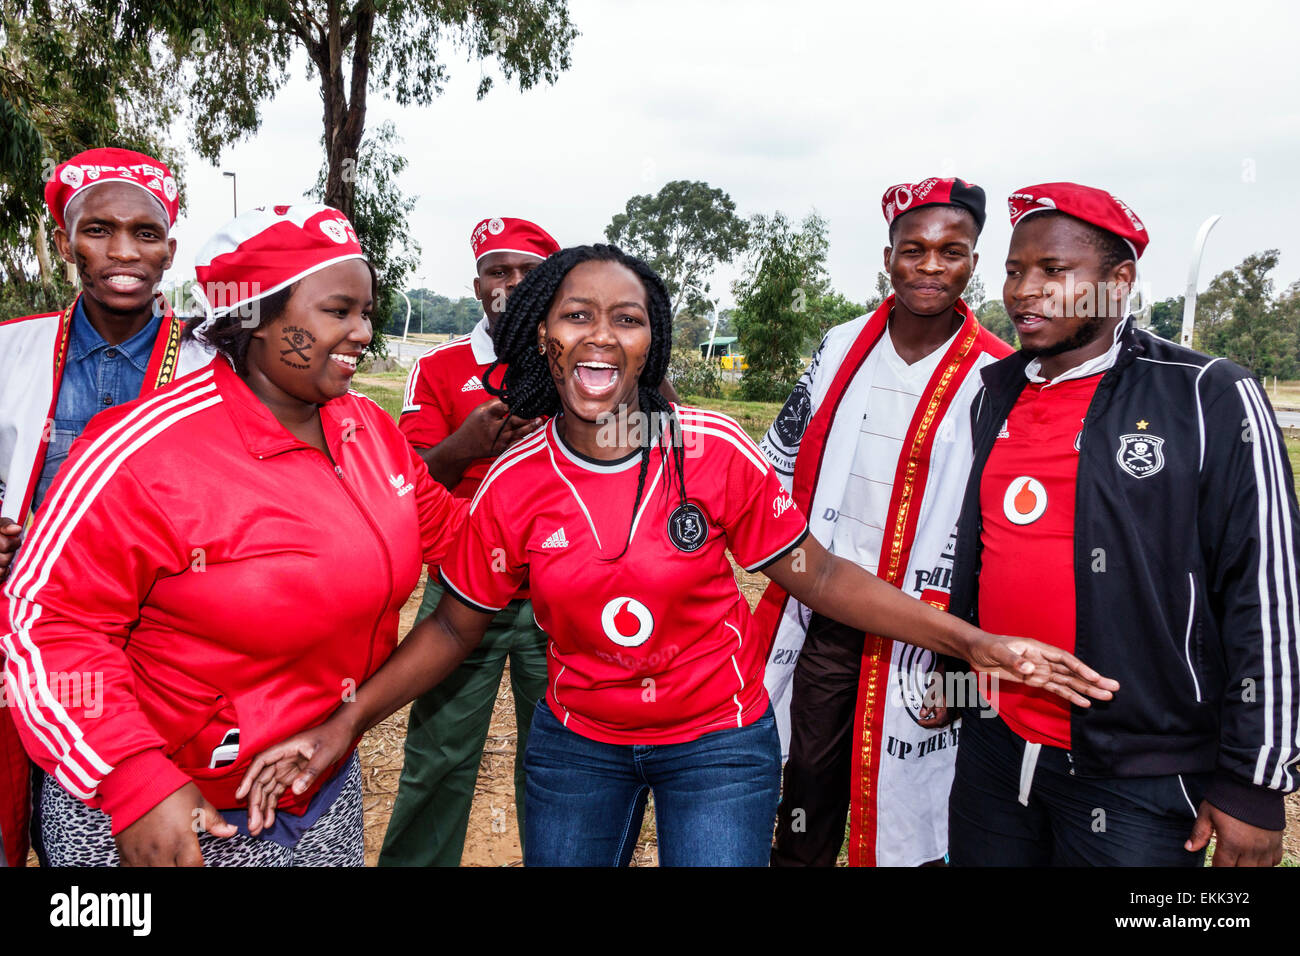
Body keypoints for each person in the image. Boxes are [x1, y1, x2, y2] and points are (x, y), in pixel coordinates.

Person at [238, 244, 1117, 867]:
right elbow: (452, 628)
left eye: (625, 320)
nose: (600, 336)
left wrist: (971, 642)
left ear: (649, 341)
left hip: (717, 744)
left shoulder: (711, 450)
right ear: (542, 335)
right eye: (576, 316)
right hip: (578, 746)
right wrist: (348, 722)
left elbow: (820, 575)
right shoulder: (513, 482)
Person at [1, 204, 465, 866]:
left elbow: (465, 542)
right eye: (339, 311)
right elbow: (44, 625)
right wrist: (133, 777)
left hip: (318, 791)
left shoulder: (369, 431)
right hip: (165, 812)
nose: (364, 332)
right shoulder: (140, 452)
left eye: (366, 311)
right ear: (254, 318)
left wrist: (573, 464)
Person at [945, 182, 1300, 866]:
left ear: (1120, 281)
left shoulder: (1209, 394)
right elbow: (978, 553)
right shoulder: (995, 392)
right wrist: (951, 669)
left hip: (1140, 771)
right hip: (996, 742)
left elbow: (1268, 592)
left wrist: (1254, 784)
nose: (1024, 291)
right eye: (1015, 270)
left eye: (1054, 270)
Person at [756, 178, 1013, 867]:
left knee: (919, 795)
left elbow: (998, 524)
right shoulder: (840, 346)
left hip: (935, 624)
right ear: (888, 257)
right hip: (830, 608)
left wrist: (961, 648)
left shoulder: (998, 374)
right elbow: (781, 459)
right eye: (914, 249)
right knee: (808, 781)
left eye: (951, 252)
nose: (931, 266)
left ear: (974, 262)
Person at [0, 147, 210, 867]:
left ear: (169, 252)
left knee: (118, 817)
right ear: (65, 244)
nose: (123, 252)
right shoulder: (10, 350)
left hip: (164, 647)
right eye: (98, 230)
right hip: (27, 636)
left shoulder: (218, 363)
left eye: (145, 234)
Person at [381, 217, 556, 866]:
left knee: (559, 762)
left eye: (528, 272)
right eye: (496, 271)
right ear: (477, 285)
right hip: (462, 591)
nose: (511, 283)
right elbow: (407, 481)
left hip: (560, 594)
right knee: (438, 760)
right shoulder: (439, 366)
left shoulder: (576, 358)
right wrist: (467, 445)